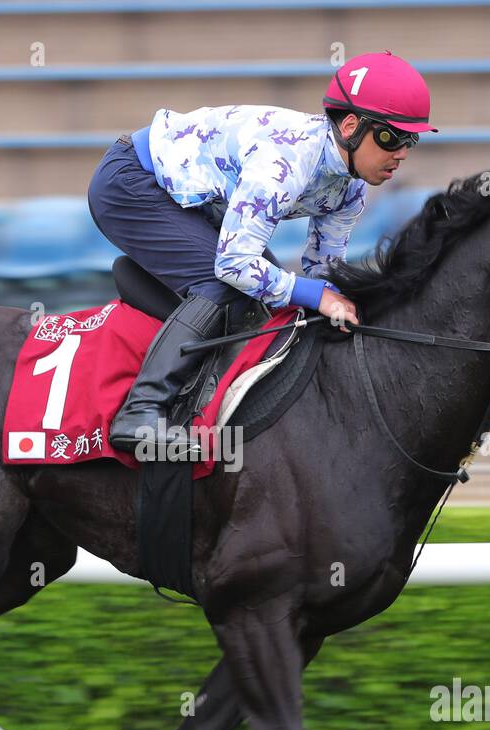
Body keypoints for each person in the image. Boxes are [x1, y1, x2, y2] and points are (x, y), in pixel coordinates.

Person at [87, 51, 437, 455]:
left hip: (191, 199)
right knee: (226, 286)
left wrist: (348, 304)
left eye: (410, 140)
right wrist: (316, 295)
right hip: (130, 183)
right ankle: (142, 411)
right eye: (391, 137)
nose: (403, 153)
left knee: (271, 298)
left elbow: (323, 273)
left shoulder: (352, 188)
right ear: (352, 126)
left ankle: (142, 279)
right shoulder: (285, 162)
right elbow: (235, 264)